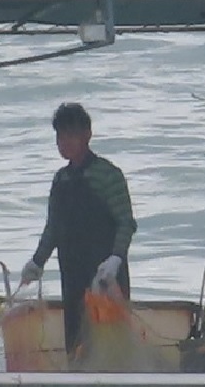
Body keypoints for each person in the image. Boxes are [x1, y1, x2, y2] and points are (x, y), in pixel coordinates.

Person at [28, 101, 137, 366]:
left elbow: (126, 222)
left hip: (105, 277)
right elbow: (53, 227)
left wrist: (116, 258)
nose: (63, 143)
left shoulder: (108, 175)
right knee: (77, 343)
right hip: (72, 275)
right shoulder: (60, 180)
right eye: (59, 137)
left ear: (87, 135)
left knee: (110, 345)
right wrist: (36, 262)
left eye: (69, 135)